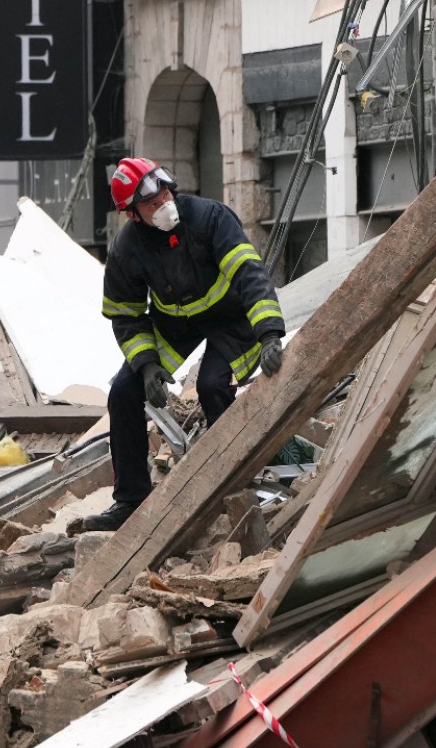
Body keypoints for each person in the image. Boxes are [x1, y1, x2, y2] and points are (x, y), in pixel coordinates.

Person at [81, 157, 286, 533]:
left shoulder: (210, 217)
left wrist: (270, 333)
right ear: (132, 215)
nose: (163, 206)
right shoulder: (126, 249)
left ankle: (234, 484)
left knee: (211, 386)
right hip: (176, 324)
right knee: (123, 392)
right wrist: (146, 366)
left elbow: (249, 275)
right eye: (152, 205)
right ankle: (130, 501)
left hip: (232, 317)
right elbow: (124, 313)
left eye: (164, 196)